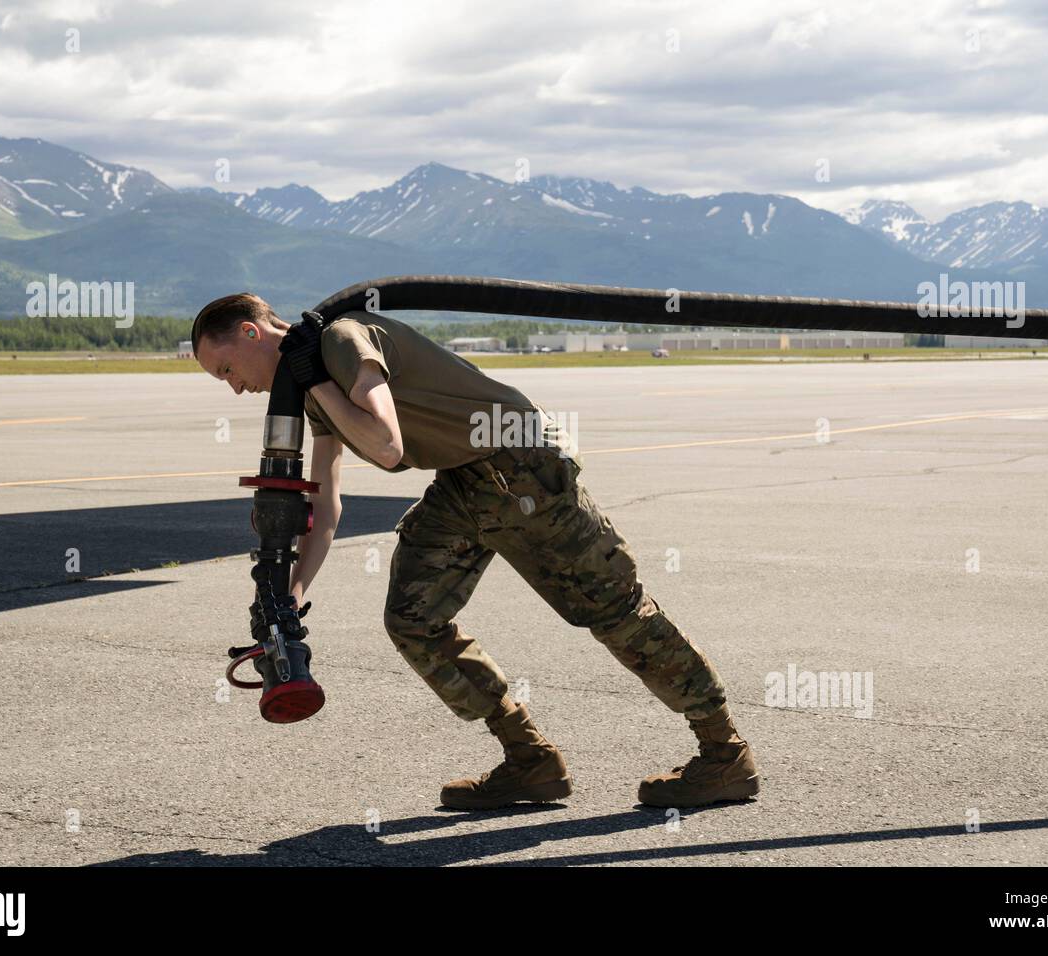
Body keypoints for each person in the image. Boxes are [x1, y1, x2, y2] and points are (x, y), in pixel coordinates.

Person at [191, 292, 760, 810]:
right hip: (466, 481)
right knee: (413, 617)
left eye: (227, 370)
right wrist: (286, 604)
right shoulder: (312, 383)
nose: (235, 387)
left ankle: (724, 753)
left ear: (249, 333)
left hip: (519, 464)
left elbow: (387, 446)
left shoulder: (338, 342)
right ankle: (529, 760)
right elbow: (327, 510)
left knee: (614, 612)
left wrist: (314, 381)